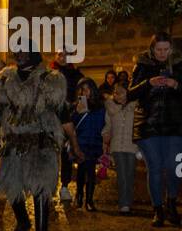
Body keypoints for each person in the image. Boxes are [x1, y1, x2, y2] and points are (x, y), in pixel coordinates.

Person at [0, 47, 77, 231]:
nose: (20, 55)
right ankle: (23, 221)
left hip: (41, 143)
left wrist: (74, 142)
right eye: (17, 52)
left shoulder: (50, 80)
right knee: (10, 187)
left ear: (34, 55)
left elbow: (63, 114)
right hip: (13, 143)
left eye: (25, 51)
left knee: (41, 189)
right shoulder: (5, 80)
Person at [128, 32, 182, 227]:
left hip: (175, 125)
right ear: (152, 49)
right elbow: (131, 94)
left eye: (166, 49)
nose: (162, 53)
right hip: (148, 125)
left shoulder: (180, 65)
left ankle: (171, 203)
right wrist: (147, 83)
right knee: (155, 168)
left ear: (171, 49)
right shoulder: (142, 65)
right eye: (158, 49)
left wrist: (176, 84)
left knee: (175, 168)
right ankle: (157, 210)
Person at [49, 49, 85, 202]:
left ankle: (64, 186)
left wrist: (78, 104)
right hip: (51, 118)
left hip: (68, 117)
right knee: (49, 153)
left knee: (66, 153)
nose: (62, 58)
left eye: (65, 55)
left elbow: (84, 91)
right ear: (55, 56)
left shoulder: (76, 74)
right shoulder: (49, 73)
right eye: (59, 55)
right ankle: (49, 187)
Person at [103, 80, 138, 213]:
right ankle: (124, 204)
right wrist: (105, 136)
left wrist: (140, 146)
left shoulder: (135, 107)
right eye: (115, 93)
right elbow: (108, 126)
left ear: (127, 93)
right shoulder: (111, 108)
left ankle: (128, 201)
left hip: (132, 146)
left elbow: (139, 127)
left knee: (130, 174)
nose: (117, 95)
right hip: (117, 146)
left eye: (120, 92)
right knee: (122, 175)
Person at [71, 79, 105, 211]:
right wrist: (77, 113)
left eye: (87, 89)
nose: (84, 92)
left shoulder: (100, 106)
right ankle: (79, 196)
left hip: (94, 142)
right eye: (81, 89)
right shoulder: (77, 106)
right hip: (81, 143)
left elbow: (102, 123)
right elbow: (71, 125)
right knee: (81, 169)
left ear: (92, 90)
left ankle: (89, 200)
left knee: (90, 171)